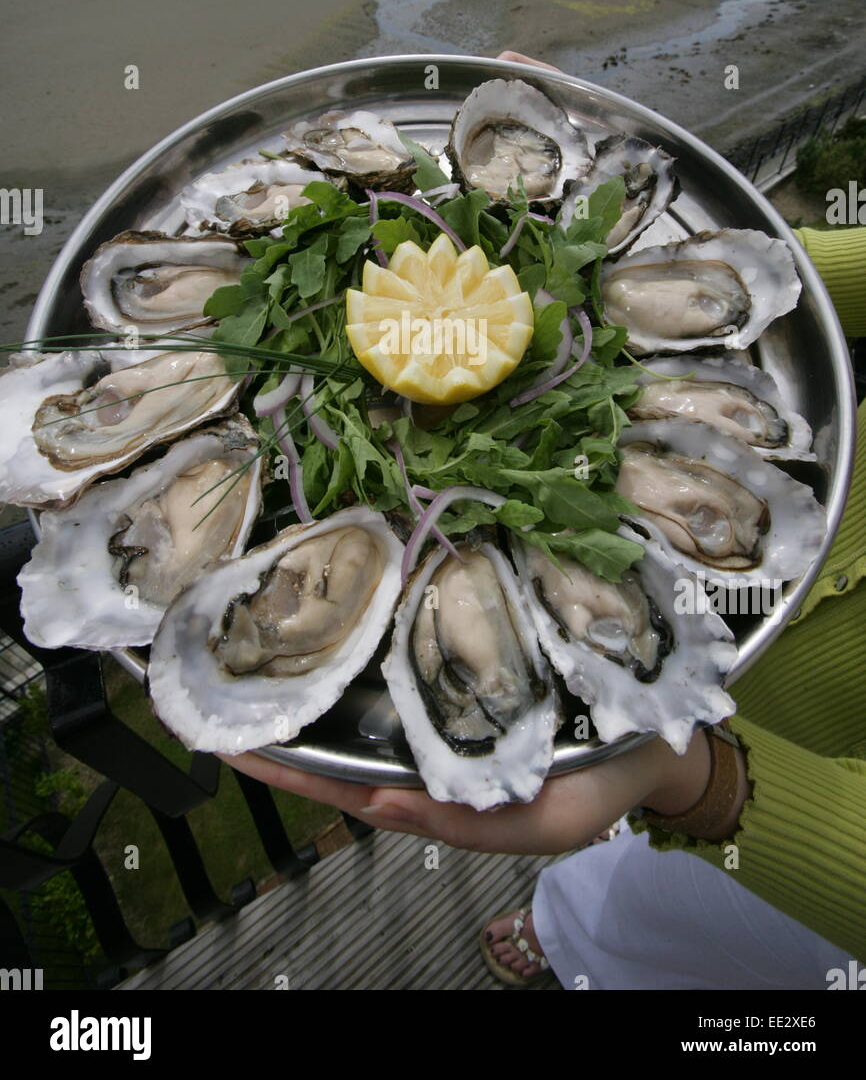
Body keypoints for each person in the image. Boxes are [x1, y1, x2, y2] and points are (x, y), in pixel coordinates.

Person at [222, 51, 866, 989]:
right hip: (701, 650)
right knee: (615, 895)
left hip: (813, 853)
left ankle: (587, 939)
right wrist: (766, 258)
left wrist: (699, 785)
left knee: (709, 938)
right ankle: (567, 927)